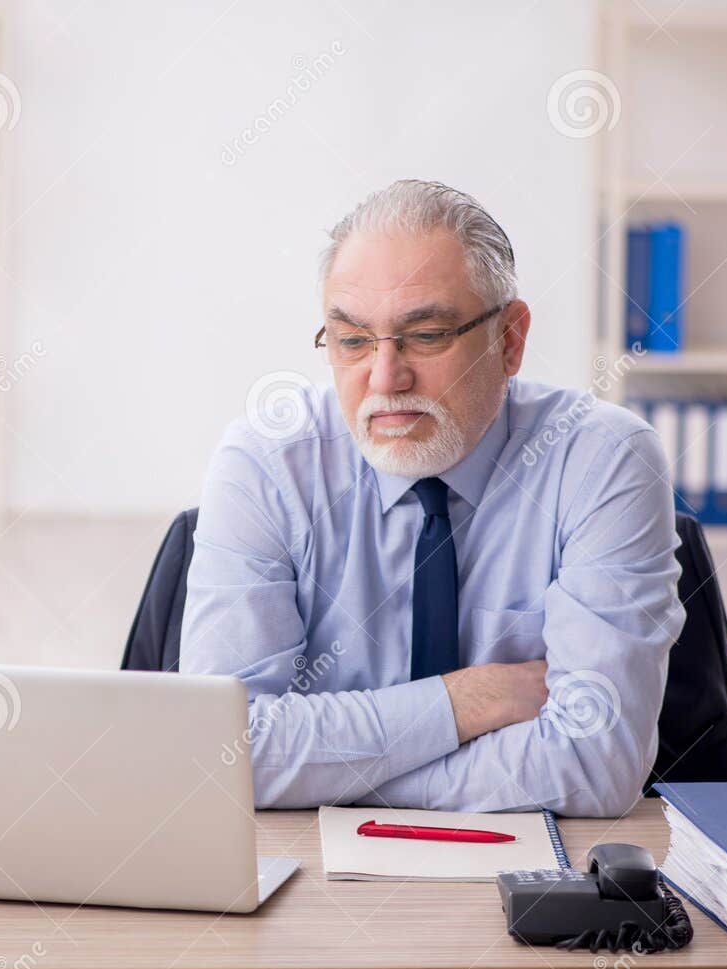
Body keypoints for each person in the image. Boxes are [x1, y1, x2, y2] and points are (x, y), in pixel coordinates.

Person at [179, 179, 684, 817]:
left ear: (509, 340)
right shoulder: (267, 462)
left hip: (534, 876)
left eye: (426, 336)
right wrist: (465, 702)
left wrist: (319, 775)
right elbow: (224, 755)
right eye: (353, 341)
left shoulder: (603, 460)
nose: (385, 379)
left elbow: (595, 766)